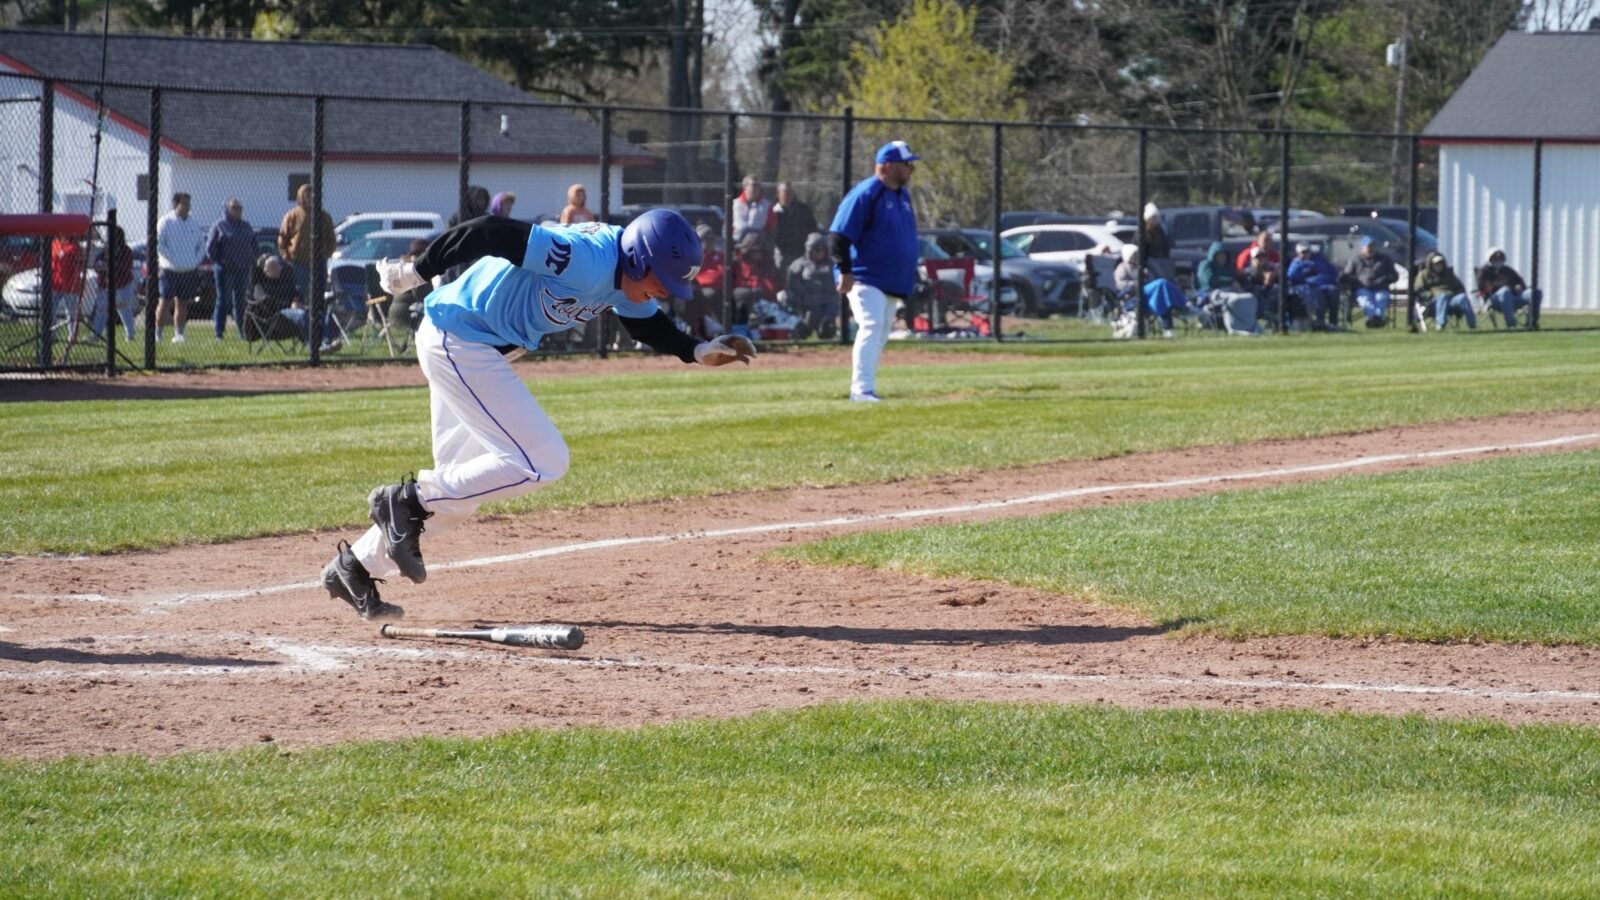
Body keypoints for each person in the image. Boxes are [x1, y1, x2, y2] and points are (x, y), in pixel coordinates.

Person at [323, 210, 756, 621]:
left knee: (462, 487)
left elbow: (644, 324)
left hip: (471, 346)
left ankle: (354, 567)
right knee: (542, 461)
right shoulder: (585, 259)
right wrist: (416, 271)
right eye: (660, 282)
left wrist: (695, 350)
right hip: (460, 339)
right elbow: (488, 230)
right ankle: (403, 500)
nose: (663, 292)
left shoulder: (626, 277)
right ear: (638, 259)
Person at [830, 140, 921, 403]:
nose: (911, 169)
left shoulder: (901, 195)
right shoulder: (867, 193)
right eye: (906, 164)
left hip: (891, 279)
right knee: (871, 326)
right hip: (864, 276)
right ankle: (861, 390)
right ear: (888, 165)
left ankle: (866, 386)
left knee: (880, 333)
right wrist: (845, 270)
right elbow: (838, 234)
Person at [156, 191, 207, 343]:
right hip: (169, 270)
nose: (187, 206)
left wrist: (194, 261)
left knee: (182, 303)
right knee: (164, 302)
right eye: (184, 203)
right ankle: (157, 335)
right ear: (176, 204)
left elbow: (201, 246)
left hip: (188, 271)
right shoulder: (165, 221)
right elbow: (159, 244)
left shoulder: (193, 223)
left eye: (189, 203)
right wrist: (174, 260)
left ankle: (179, 334)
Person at [277, 184, 336, 309]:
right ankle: (300, 320)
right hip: (298, 263)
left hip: (319, 262)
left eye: (312, 194)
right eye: (307, 195)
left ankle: (318, 319)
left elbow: (331, 239)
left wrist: (327, 253)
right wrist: (286, 255)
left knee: (318, 293)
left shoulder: (324, 216)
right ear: (301, 197)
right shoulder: (292, 215)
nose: (310, 197)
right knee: (299, 293)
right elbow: (282, 237)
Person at [1113, 244, 1187, 338]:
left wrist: (1149, 263)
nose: (1137, 256)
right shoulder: (1122, 267)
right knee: (1162, 283)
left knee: (1163, 295)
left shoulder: (1144, 266)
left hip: (1150, 293)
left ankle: (1168, 327)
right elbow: (1120, 284)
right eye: (1134, 254)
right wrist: (1135, 283)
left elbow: (1157, 275)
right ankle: (1184, 303)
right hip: (1134, 294)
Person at [207, 198, 255, 340]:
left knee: (241, 302)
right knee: (223, 300)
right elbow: (210, 248)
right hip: (225, 270)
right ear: (227, 209)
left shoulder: (246, 226)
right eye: (234, 207)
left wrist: (251, 259)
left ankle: (242, 331)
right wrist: (221, 261)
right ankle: (219, 333)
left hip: (243, 269)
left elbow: (254, 245)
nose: (238, 210)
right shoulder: (219, 226)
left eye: (240, 208)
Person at [1193, 240, 1259, 335]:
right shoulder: (1205, 265)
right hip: (1212, 294)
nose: (1222, 258)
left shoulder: (1227, 268)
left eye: (1223, 255)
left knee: (1249, 298)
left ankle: (1250, 326)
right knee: (1234, 300)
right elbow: (1210, 280)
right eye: (1219, 255)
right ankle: (1234, 328)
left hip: (1231, 291)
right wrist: (1230, 281)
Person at [244, 253, 311, 345]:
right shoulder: (260, 287)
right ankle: (314, 346)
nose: (279, 268)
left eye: (278, 266)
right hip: (276, 320)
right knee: (303, 316)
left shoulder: (285, 282)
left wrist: (296, 300)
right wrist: (288, 307)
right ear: (266, 270)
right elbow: (267, 303)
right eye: (274, 267)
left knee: (316, 314)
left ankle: (326, 342)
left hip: (293, 316)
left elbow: (297, 293)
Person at [786, 232, 838, 340]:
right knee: (808, 321)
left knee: (827, 325)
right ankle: (799, 335)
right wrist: (801, 296)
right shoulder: (800, 264)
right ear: (809, 250)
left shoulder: (832, 264)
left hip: (829, 303)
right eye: (816, 250)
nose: (820, 253)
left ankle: (827, 336)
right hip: (809, 305)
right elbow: (792, 283)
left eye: (822, 249)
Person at [1475, 247, 1541, 330]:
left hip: (1514, 297)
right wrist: (1504, 287)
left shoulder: (1508, 270)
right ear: (1489, 258)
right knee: (1505, 291)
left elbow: (1520, 282)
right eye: (1495, 258)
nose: (1498, 260)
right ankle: (1511, 325)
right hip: (1495, 299)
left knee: (1535, 292)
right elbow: (1482, 286)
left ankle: (1532, 323)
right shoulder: (1484, 271)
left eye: (1500, 258)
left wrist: (1520, 286)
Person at [729, 229, 779, 333]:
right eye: (754, 251)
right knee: (744, 294)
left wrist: (765, 288)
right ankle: (743, 328)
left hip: (764, 300)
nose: (757, 254)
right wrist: (751, 288)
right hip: (744, 298)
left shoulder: (766, 262)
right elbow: (735, 283)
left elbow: (772, 282)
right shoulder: (736, 261)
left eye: (759, 251)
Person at [1412, 251, 1475, 331]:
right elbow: (1418, 289)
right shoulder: (1423, 275)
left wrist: (1455, 293)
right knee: (1443, 296)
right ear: (1431, 264)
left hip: (1451, 299)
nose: (1439, 265)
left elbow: (1460, 287)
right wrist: (1429, 295)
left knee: (1462, 297)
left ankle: (1472, 324)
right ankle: (1440, 324)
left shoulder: (1448, 274)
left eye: (1441, 263)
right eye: (1436, 264)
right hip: (1432, 302)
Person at [1285, 242, 1341, 331]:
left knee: (1333, 292)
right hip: (1310, 287)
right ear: (1298, 253)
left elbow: (1332, 272)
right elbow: (1291, 276)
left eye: (1307, 251)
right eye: (1302, 252)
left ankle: (1333, 323)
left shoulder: (1320, 259)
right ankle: (1320, 322)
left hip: (1326, 285)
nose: (1305, 253)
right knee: (1318, 297)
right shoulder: (1296, 264)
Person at [1343, 237, 1398, 328]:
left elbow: (1394, 276)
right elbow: (1346, 275)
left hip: (1381, 288)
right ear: (1362, 247)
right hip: (1362, 288)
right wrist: (1359, 280)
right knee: (1365, 301)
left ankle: (1375, 320)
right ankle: (1377, 319)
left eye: (1372, 246)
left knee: (1381, 299)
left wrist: (1383, 279)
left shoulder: (1384, 259)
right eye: (1368, 246)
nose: (1370, 249)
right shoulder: (1355, 259)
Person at [772, 182, 816, 271]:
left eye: (790, 192)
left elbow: (812, 228)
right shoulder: (772, 210)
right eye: (785, 191)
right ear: (778, 193)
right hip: (781, 253)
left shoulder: (803, 209)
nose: (788, 194)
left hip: (800, 252)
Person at [1140, 203, 1177, 283]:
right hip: (1148, 262)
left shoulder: (1160, 231)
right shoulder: (1142, 232)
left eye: (1156, 217)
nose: (1155, 220)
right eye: (1153, 218)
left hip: (1160, 261)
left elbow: (1166, 246)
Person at [732, 175, 776, 242]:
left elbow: (772, 227)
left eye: (758, 185)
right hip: (737, 244)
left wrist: (767, 245)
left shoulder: (767, 205)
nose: (756, 188)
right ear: (745, 187)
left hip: (758, 245)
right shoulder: (734, 204)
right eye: (753, 185)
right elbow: (727, 227)